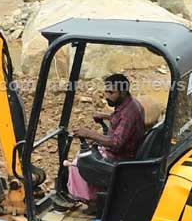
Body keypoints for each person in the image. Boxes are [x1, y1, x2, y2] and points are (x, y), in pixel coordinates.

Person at [56, 73, 146, 213]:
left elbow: (116, 143)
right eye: (106, 91)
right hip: (125, 151)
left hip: (121, 158)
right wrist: (106, 116)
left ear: (122, 92)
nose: (106, 96)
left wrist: (89, 134)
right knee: (83, 155)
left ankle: (92, 203)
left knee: (79, 164)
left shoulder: (128, 113)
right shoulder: (129, 105)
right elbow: (120, 120)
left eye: (111, 92)